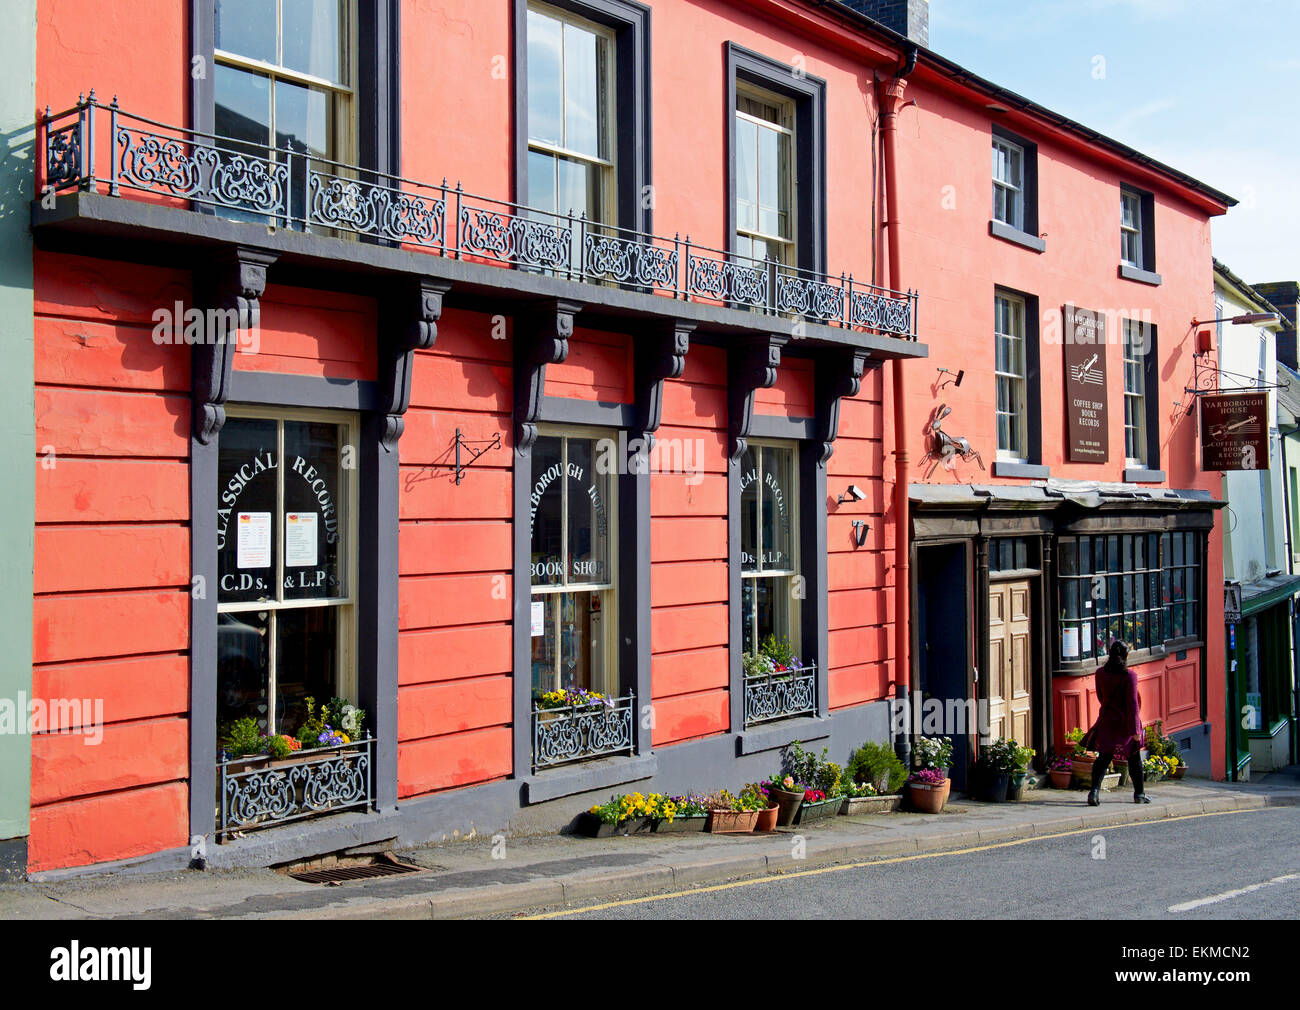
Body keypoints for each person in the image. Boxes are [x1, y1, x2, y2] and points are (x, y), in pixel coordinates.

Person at [1082, 640, 1149, 805]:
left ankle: (1094, 793)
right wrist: (1135, 731)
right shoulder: (1130, 675)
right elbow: (1133, 704)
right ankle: (1139, 795)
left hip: (1107, 720)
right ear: (1126, 656)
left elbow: (1100, 696)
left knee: (1103, 759)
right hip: (1125, 724)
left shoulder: (1100, 673)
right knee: (1134, 759)